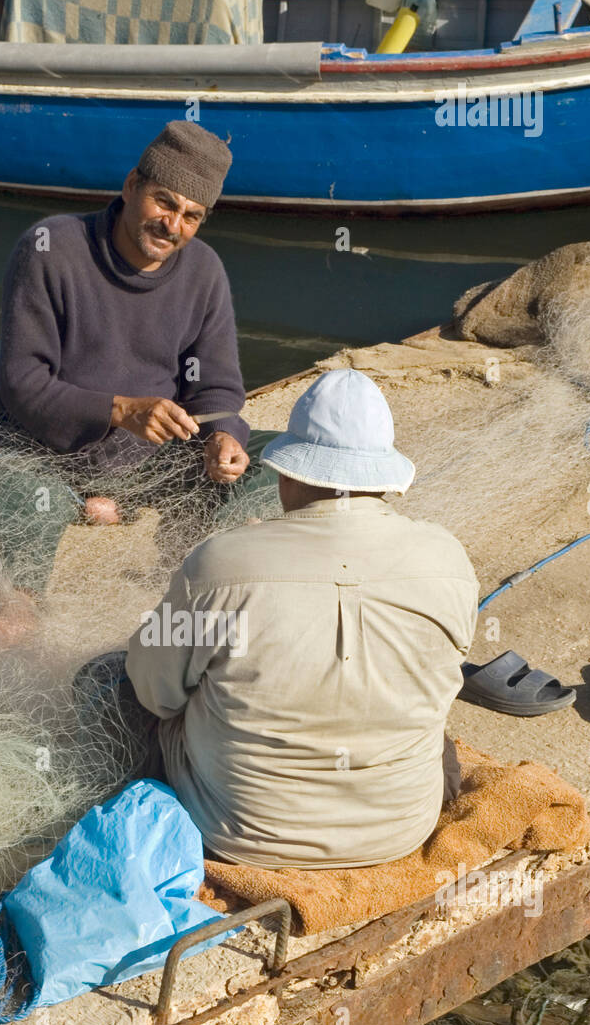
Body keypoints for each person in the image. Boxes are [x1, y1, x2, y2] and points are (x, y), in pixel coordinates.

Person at [124, 369, 479, 869]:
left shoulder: (218, 564)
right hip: (401, 827)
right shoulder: (449, 559)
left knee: (107, 679)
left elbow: (154, 695)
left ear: (289, 472)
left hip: (237, 834)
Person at [0, 119, 250, 526]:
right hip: (45, 457)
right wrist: (122, 410)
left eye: (191, 216)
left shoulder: (205, 269)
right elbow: (22, 383)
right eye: (164, 202)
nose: (172, 225)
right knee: (20, 500)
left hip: (146, 463)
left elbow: (215, 387)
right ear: (131, 186)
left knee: (281, 464)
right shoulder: (50, 246)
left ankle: (114, 509)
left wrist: (225, 436)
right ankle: (79, 506)